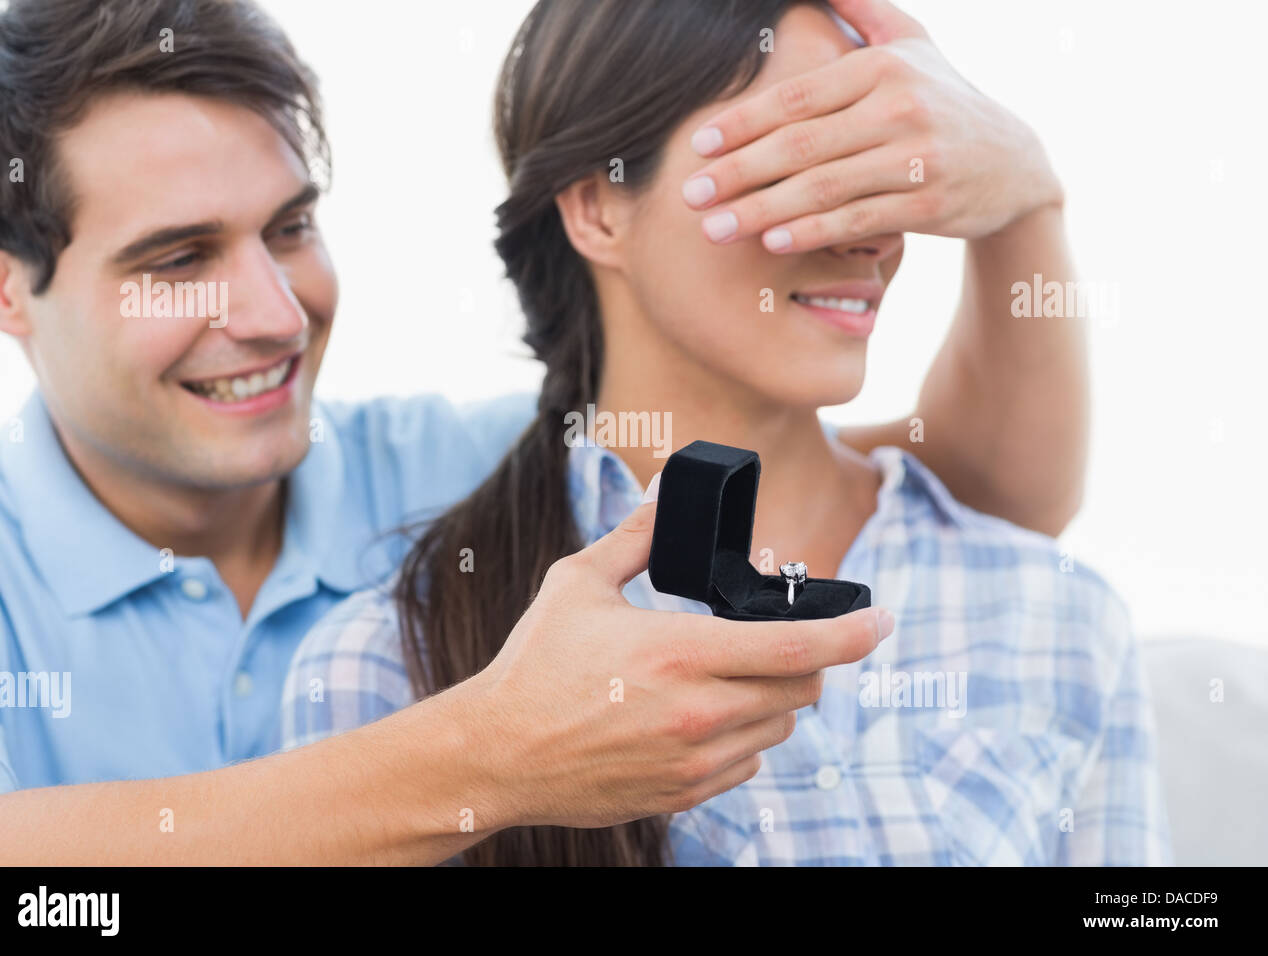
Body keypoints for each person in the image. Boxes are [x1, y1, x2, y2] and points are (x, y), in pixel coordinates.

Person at [0, 0, 1084, 863]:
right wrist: (494, 752)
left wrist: (1024, 201)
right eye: (177, 258)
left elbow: (957, 492)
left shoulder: (465, 480)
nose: (273, 314)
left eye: (291, 226)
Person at [283, 0, 1169, 865]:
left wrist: (1026, 191)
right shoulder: (395, 662)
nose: (866, 233)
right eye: (797, 163)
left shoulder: (1058, 618)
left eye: (878, 163)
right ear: (599, 207)